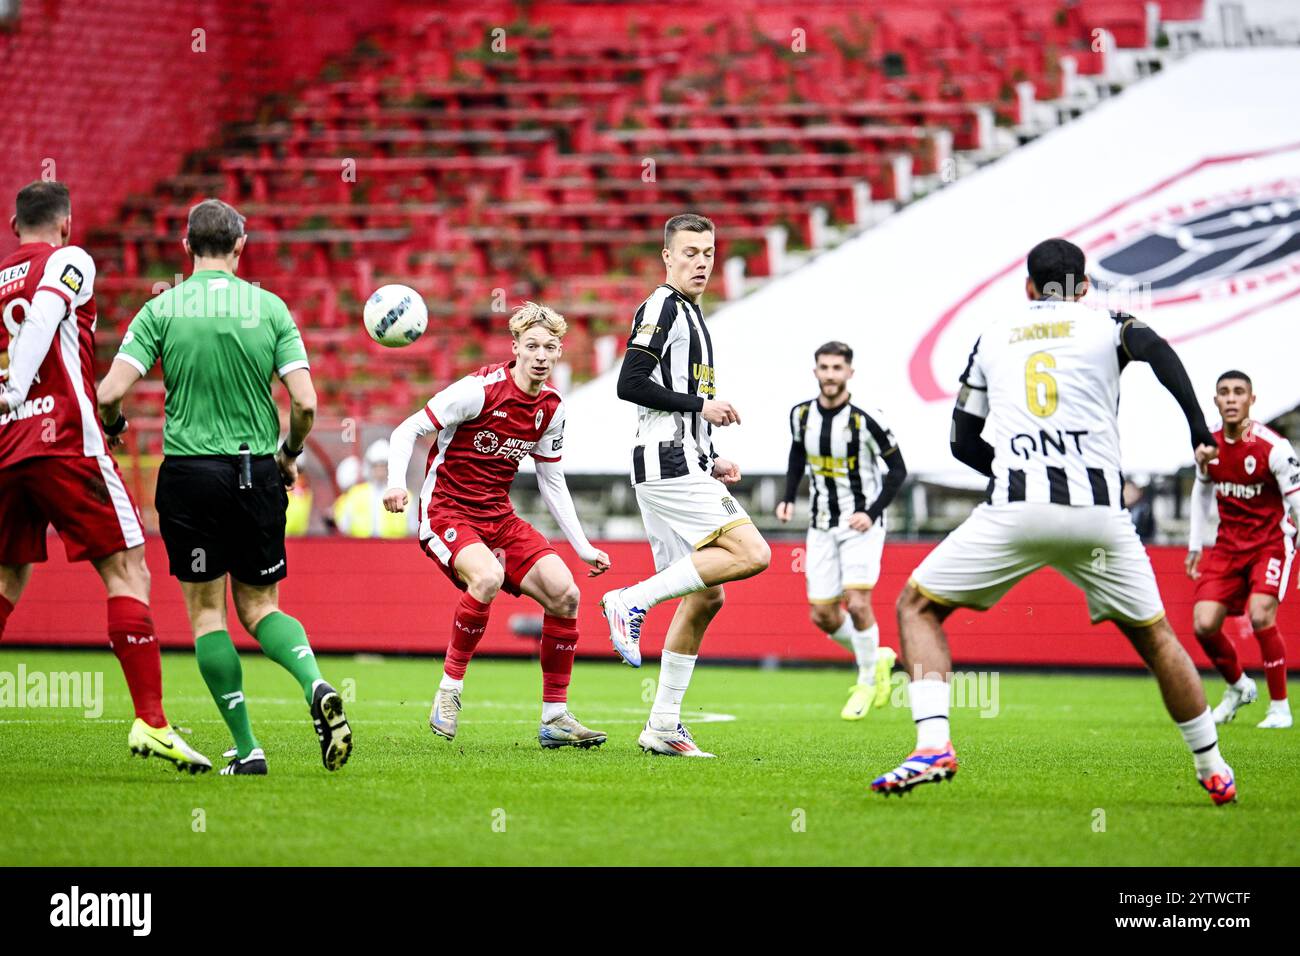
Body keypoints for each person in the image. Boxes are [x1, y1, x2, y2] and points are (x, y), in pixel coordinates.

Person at [871, 237, 1237, 805]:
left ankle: (933, 745)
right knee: (1157, 640)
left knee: (917, 607)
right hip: (1098, 516)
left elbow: (962, 439)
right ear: (1084, 286)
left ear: (1027, 287)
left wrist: (1009, 469)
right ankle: (1213, 767)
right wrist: (1199, 429)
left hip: (1017, 507)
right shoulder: (1108, 324)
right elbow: (1158, 350)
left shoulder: (994, 334)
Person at [97, 198, 351, 776]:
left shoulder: (162, 309)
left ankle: (248, 747)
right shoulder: (270, 308)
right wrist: (288, 455)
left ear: (186, 247)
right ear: (241, 246)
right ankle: (315, 684)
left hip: (190, 475)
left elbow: (110, 393)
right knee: (261, 607)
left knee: (208, 614)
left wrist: (113, 429)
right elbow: (306, 403)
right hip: (257, 471)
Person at [0, 181, 210, 773]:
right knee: (126, 567)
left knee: (8, 578)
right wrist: (19, 386)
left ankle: (153, 721)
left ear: (15, 227)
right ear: (64, 223)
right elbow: (44, 312)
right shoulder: (70, 260)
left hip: (6, 445)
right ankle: (152, 722)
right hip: (65, 439)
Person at [383, 301, 611, 748]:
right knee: (486, 576)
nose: (541, 354)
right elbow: (405, 430)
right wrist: (396, 484)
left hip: (497, 517)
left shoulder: (551, 407)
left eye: (550, 346)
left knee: (566, 594)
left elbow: (551, 478)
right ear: (516, 348)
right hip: (446, 510)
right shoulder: (479, 389)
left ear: (559, 351)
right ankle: (449, 692)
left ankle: (555, 718)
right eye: (532, 346)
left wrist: (582, 546)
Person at [601, 213, 772, 757]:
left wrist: (711, 456)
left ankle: (662, 726)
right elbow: (630, 382)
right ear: (667, 257)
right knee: (753, 551)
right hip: (665, 461)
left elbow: (671, 399)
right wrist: (703, 406)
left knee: (705, 597)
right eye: (691, 252)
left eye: (709, 252)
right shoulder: (663, 306)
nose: (701, 261)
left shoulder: (694, 315)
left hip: (682, 459)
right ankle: (628, 600)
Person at [777, 341, 907, 719]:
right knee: (823, 615)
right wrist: (788, 497)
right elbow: (797, 455)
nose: (830, 375)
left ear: (850, 373)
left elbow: (898, 470)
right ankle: (877, 655)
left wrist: (871, 511)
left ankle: (867, 679)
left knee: (858, 600)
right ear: (815, 371)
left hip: (859, 524)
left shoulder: (867, 419)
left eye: (837, 368)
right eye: (824, 367)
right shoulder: (800, 416)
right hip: (820, 525)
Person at [1187, 370, 1299, 729]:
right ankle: (1238, 686)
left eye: (1239, 392)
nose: (1231, 398)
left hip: (1270, 544)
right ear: (1216, 401)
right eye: (1224, 393)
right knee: (1204, 624)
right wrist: (1194, 544)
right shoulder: (1209, 447)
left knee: (1261, 614)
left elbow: (1295, 500)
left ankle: (1280, 708)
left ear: (1252, 400)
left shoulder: (1274, 448)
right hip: (1227, 547)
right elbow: (1201, 490)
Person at [334, 438, 412, 537]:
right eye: (376, 466)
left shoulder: (404, 494)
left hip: (394, 547)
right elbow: (343, 526)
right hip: (361, 547)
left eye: (383, 466)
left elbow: (412, 528)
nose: (379, 471)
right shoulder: (356, 493)